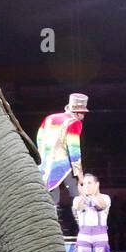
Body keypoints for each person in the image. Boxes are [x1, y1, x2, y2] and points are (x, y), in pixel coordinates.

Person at [36, 93, 88, 233]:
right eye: (83, 113)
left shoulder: (50, 118)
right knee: (77, 193)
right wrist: (79, 173)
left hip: (44, 163)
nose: (83, 116)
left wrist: (43, 156)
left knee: (52, 195)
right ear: (77, 112)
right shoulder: (74, 123)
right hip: (62, 164)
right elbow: (74, 149)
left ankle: (50, 229)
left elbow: (39, 138)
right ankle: (84, 226)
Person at [71, 173, 111, 252]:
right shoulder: (77, 199)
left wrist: (93, 195)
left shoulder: (105, 197)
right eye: (84, 184)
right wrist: (83, 195)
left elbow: (101, 205)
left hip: (100, 233)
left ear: (97, 184)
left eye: (89, 183)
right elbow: (78, 206)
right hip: (84, 232)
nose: (86, 186)